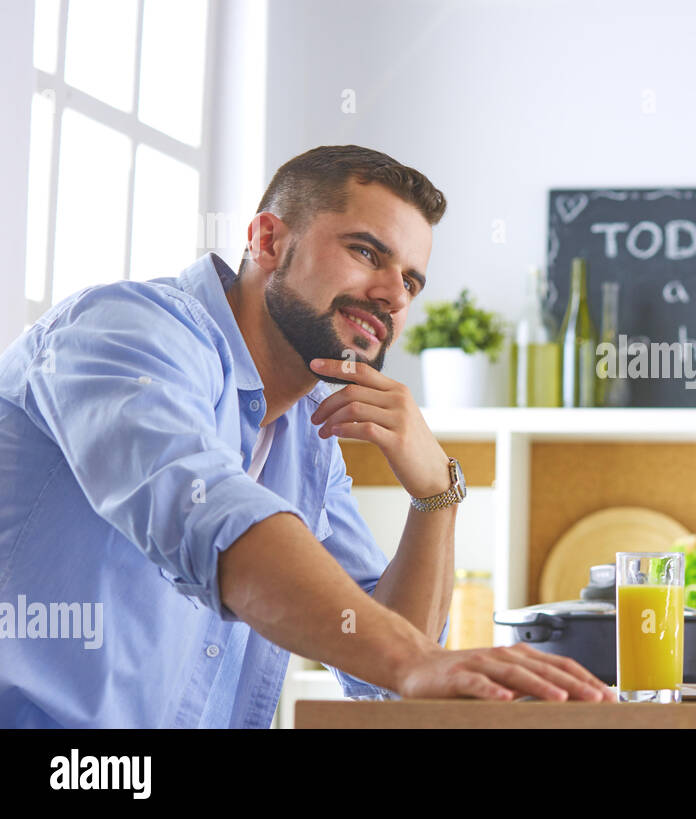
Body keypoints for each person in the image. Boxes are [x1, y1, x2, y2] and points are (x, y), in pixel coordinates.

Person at [0, 145, 614, 728]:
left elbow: (385, 676)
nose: (393, 295)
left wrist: (436, 495)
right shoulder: (130, 332)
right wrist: (412, 659)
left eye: (413, 281)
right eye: (368, 253)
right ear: (269, 241)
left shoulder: (308, 432)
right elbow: (209, 514)